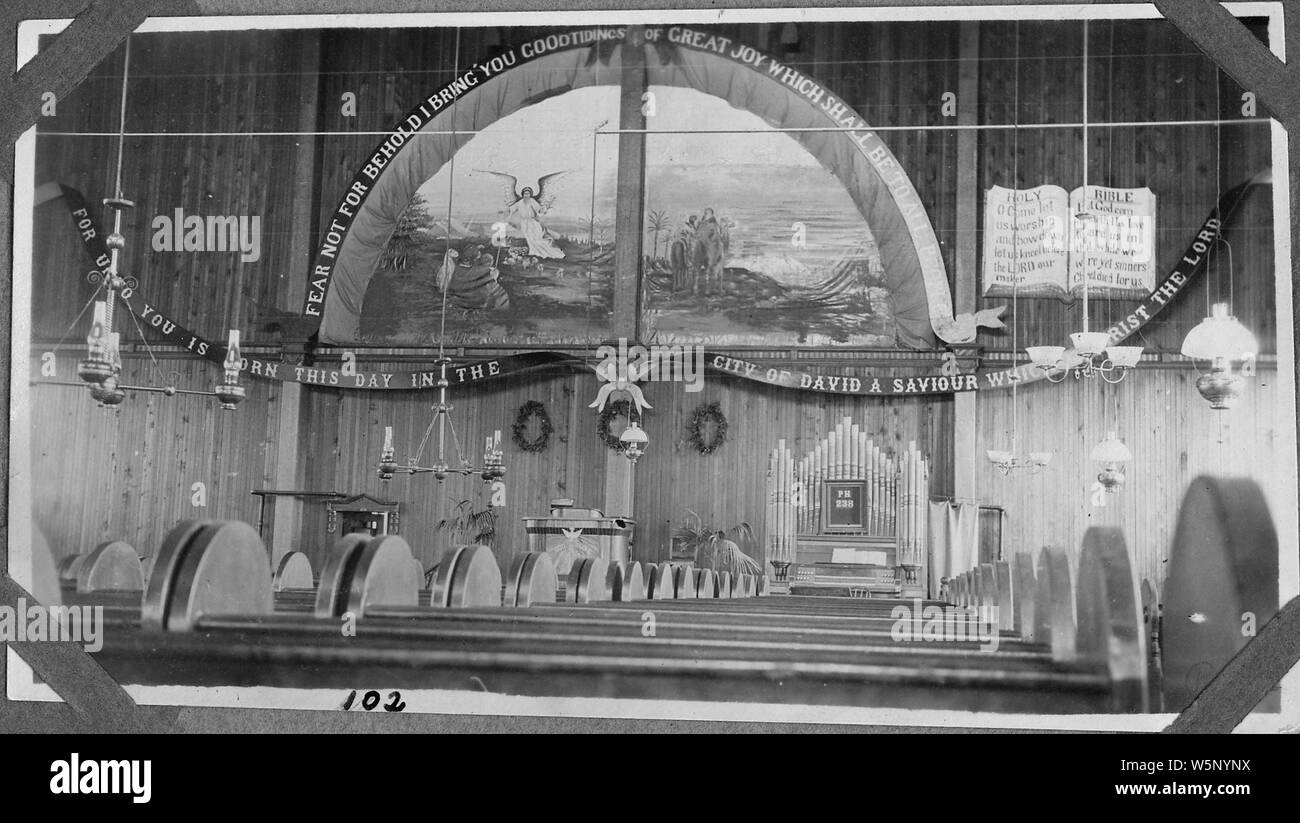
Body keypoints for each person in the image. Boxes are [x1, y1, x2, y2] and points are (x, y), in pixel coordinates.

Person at [508, 187, 564, 259]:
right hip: (524, 223)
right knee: (530, 239)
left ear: (530, 194)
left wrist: (542, 210)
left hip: (533, 222)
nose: (526, 195)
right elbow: (512, 208)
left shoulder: (532, 201)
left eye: (528, 193)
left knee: (537, 238)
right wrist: (508, 214)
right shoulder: (520, 202)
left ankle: (550, 252)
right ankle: (534, 252)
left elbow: (538, 210)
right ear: (523, 194)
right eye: (525, 193)